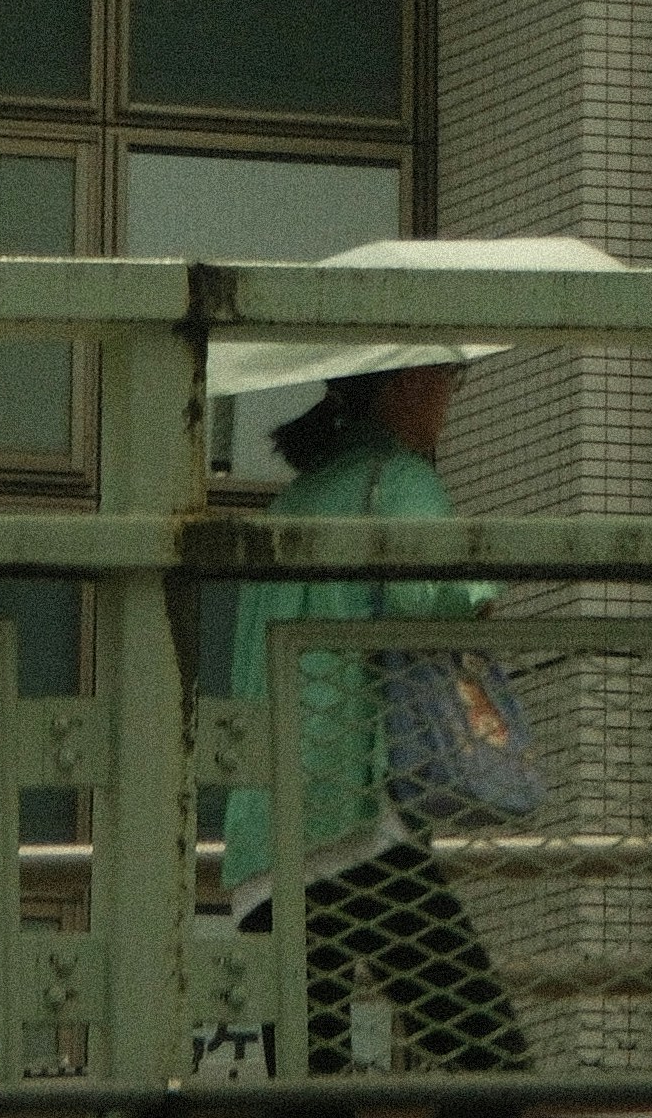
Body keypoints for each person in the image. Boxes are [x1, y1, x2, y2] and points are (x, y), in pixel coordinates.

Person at [209, 346, 521, 1079]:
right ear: (407, 381)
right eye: (450, 376)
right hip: (355, 820)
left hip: (266, 835)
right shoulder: (401, 479)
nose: (452, 393)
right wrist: (481, 591)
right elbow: (428, 596)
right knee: (488, 1058)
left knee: (308, 1083)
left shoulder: (297, 497)